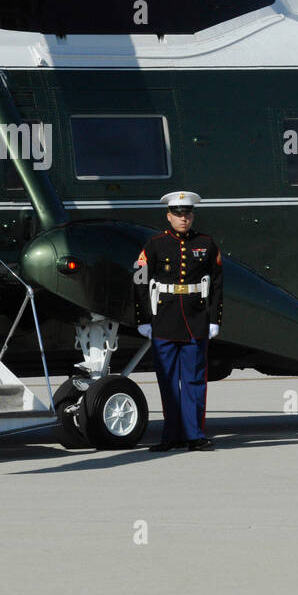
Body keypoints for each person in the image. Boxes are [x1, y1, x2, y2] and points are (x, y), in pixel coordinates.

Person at [134, 191, 223, 452]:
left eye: (187, 214)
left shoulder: (206, 243)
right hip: (164, 318)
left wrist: (214, 319)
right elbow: (139, 279)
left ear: (192, 216)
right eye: (178, 214)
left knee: (194, 380)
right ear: (169, 216)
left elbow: (217, 283)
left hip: (196, 319)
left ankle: (194, 435)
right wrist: (143, 318)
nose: (183, 218)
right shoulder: (155, 244)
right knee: (168, 381)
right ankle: (171, 436)